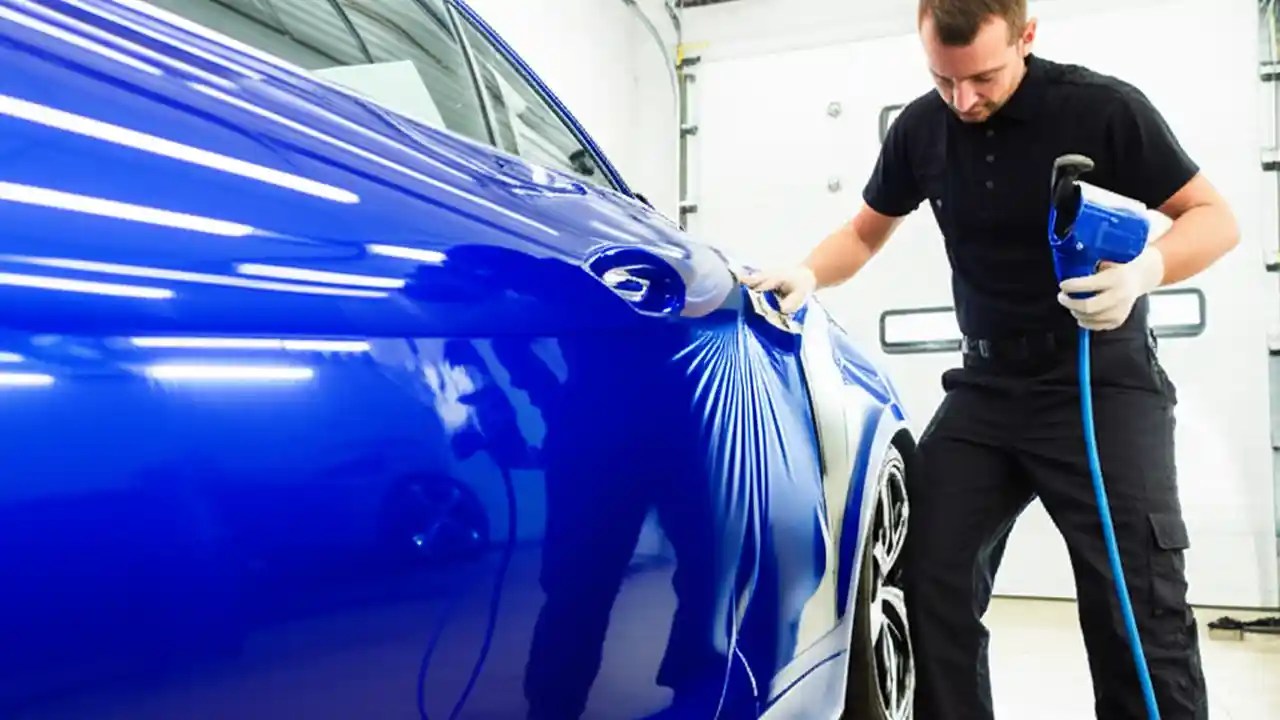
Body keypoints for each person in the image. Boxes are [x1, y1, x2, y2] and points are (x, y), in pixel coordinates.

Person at [744, 1, 1239, 718]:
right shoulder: (921, 128)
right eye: (944, 81)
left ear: (1026, 37)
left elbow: (1214, 217)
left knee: (1134, 600)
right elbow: (863, 230)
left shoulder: (1103, 110)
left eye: (982, 77)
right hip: (988, 388)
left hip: (1101, 381)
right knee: (929, 571)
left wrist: (1145, 272)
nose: (963, 99)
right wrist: (808, 274)